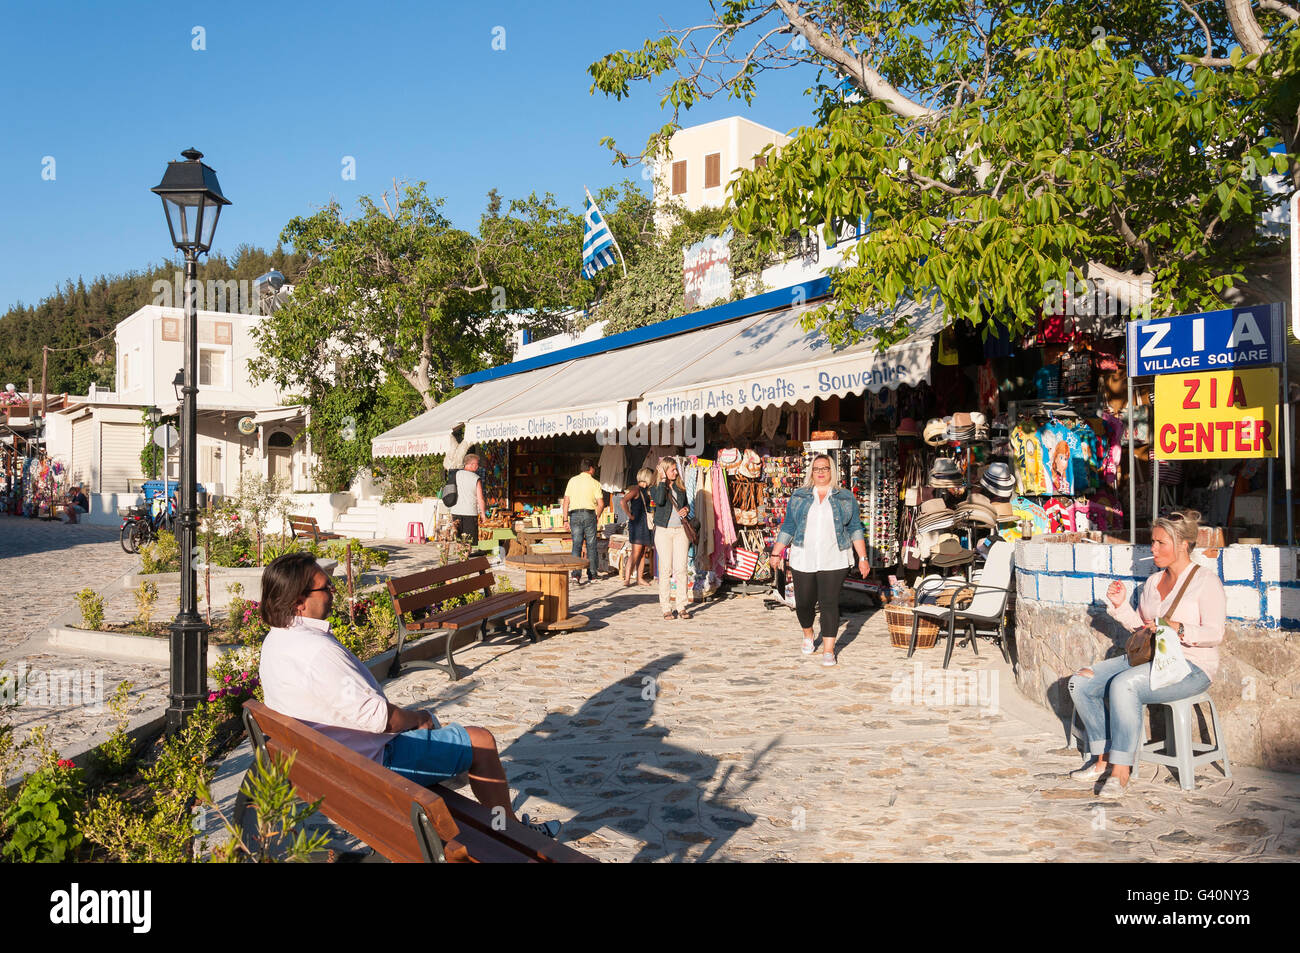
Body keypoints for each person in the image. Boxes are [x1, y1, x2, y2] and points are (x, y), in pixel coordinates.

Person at [257, 553, 560, 837]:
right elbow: (379, 718)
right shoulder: (318, 651)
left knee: (453, 744)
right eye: (326, 587)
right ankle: (510, 835)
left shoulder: (276, 642)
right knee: (481, 743)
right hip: (374, 767)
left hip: (334, 769)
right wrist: (420, 717)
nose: (333, 592)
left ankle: (498, 825)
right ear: (299, 602)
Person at [1067, 509, 1224, 797]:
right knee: (1081, 681)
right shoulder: (1153, 583)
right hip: (1152, 658)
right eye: (1153, 542)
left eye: (1160, 543)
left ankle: (1121, 770)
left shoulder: (1206, 582)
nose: (1152, 548)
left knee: (1124, 685)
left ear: (1183, 545)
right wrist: (1120, 605)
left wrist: (1178, 628)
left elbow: (1215, 634)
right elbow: (1142, 629)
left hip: (1191, 667)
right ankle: (1102, 758)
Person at [768, 453, 868, 667]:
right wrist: (777, 552)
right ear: (811, 472)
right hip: (803, 556)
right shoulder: (799, 496)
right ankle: (808, 633)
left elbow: (855, 528)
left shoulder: (845, 497)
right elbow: (789, 526)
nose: (821, 472)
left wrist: (863, 558)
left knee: (829, 603)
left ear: (832, 471)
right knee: (804, 603)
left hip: (835, 557)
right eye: (817, 468)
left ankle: (829, 650)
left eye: (825, 468)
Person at [648, 457, 693, 620]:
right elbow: (659, 501)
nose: (676, 472)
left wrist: (686, 509)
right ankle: (666, 607)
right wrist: (662, 480)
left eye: (676, 469)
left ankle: (682, 606)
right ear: (665, 471)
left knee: (681, 569)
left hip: (681, 530)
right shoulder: (655, 487)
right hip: (663, 531)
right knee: (665, 569)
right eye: (672, 469)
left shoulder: (681, 486)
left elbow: (686, 504)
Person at [562, 458, 605, 584]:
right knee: (591, 545)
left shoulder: (572, 481)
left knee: (576, 544)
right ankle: (592, 574)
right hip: (589, 514)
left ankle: (576, 575)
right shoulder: (595, 483)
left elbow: (566, 502)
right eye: (594, 467)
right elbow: (601, 504)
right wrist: (597, 516)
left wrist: (565, 519)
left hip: (574, 515)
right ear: (591, 468)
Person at [619, 468, 655, 586]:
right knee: (636, 552)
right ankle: (627, 578)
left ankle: (639, 578)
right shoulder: (636, 489)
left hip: (644, 524)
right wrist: (629, 515)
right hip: (637, 524)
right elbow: (623, 501)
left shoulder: (647, 490)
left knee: (642, 552)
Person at [448, 453, 486, 543]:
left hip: (455, 511)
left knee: (459, 540)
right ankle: (466, 556)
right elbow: (480, 498)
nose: (478, 466)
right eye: (477, 464)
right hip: (470, 513)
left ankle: (461, 556)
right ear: (471, 464)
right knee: (469, 541)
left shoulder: (455, 475)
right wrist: (483, 514)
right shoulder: (476, 478)